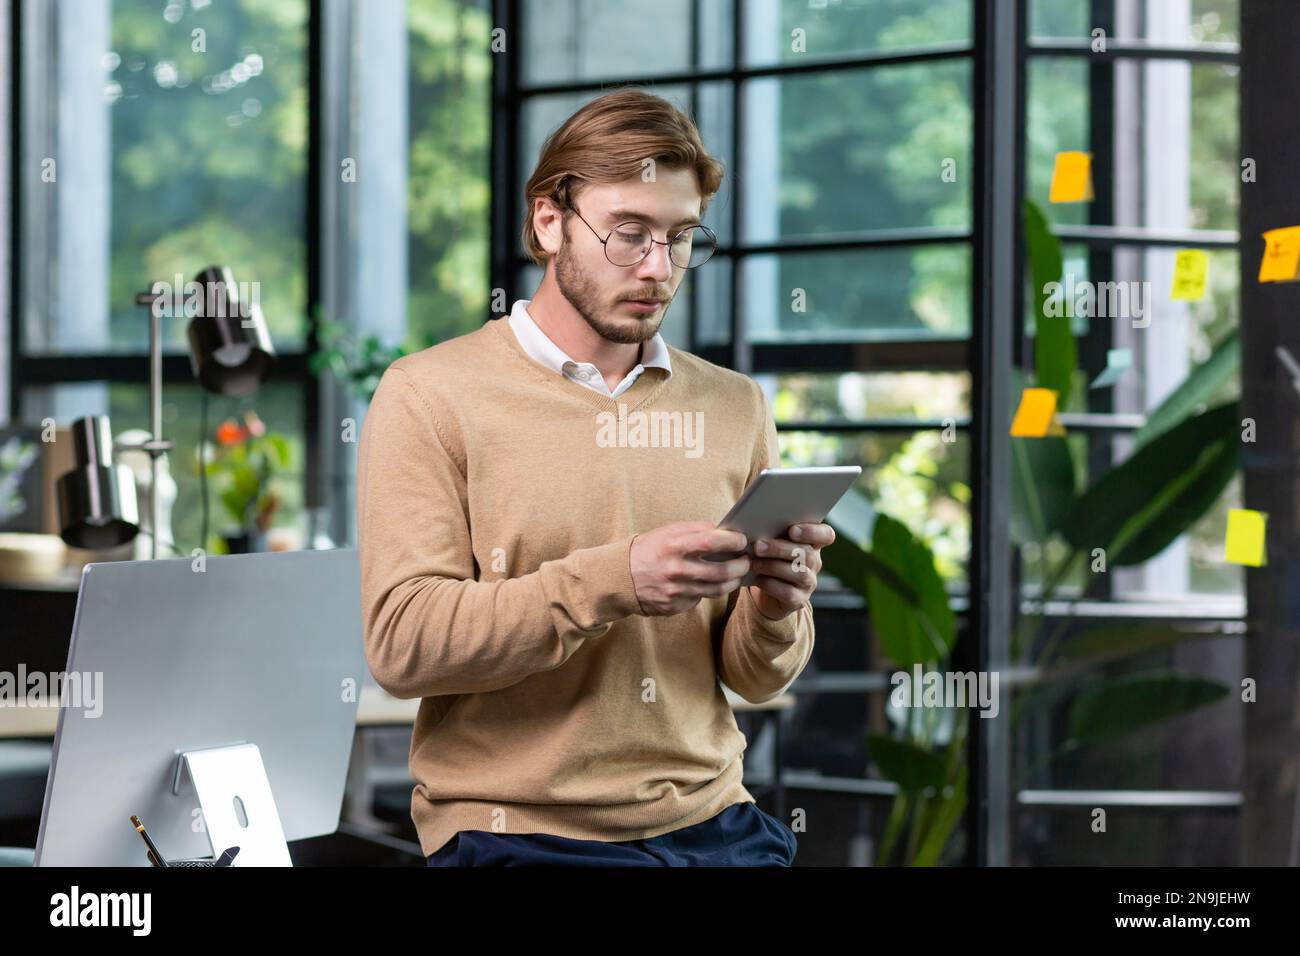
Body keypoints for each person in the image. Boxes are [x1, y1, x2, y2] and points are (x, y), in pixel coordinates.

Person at [356, 88, 834, 866]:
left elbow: (755, 675)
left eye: (680, 238)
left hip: (717, 824)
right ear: (549, 222)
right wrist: (613, 580)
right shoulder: (429, 395)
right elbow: (404, 647)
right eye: (629, 234)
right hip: (516, 833)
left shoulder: (734, 404)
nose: (658, 268)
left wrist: (777, 605)